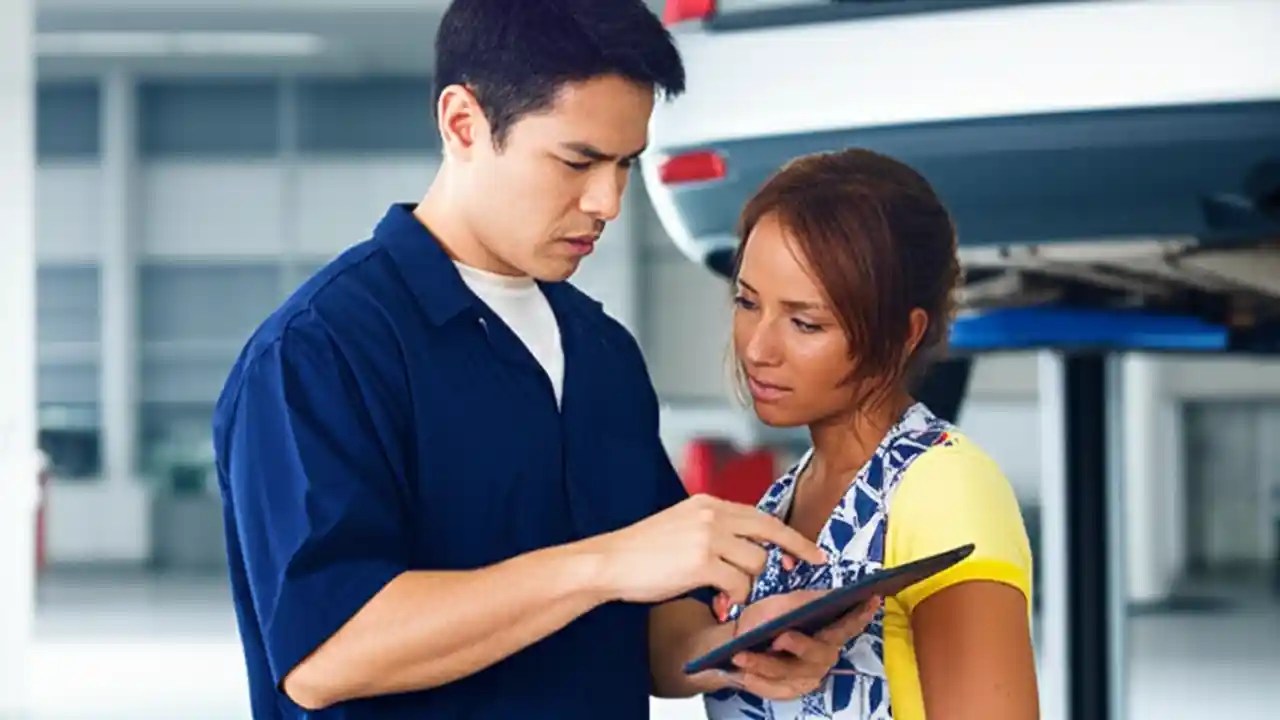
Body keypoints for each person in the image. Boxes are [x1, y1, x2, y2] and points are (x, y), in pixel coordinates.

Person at [211, 2, 877, 718]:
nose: (608, 201)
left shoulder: (601, 352)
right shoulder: (319, 353)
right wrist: (604, 564)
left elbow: (650, 622)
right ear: (463, 122)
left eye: (626, 164)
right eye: (577, 160)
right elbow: (326, 652)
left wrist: (741, 647)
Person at [705, 148, 1040, 720]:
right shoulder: (781, 501)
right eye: (746, 302)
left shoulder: (943, 487)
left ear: (905, 333)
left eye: (805, 323)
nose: (758, 349)